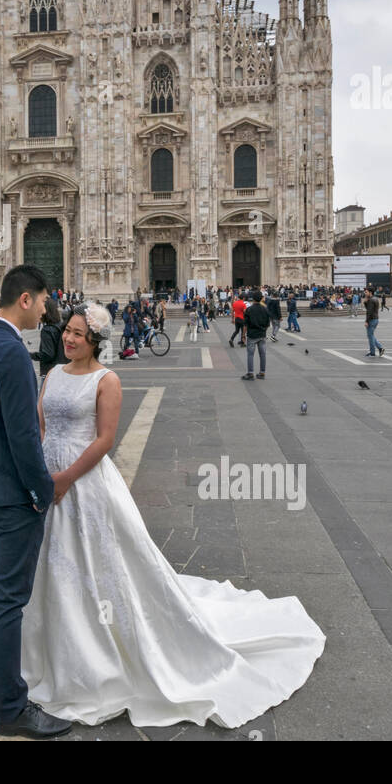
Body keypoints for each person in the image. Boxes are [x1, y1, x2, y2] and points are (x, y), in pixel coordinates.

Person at [21, 302, 325, 727]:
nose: (69, 338)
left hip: (84, 482)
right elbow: (41, 428)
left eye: (77, 333)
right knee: (55, 565)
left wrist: (66, 477)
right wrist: (40, 471)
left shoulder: (106, 380)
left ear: (94, 341)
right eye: (67, 331)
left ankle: (99, 655)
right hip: (50, 477)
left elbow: (105, 439)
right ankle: (53, 649)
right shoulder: (51, 375)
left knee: (97, 562)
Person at [0, 263, 71, 739]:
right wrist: (41, 491)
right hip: (11, 496)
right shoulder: (11, 353)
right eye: (44, 300)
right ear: (25, 299)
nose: (48, 308)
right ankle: (12, 709)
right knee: (8, 599)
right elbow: (24, 438)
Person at [30, 297, 66, 383]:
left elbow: (48, 354)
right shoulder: (60, 326)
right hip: (61, 371)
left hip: (49, 373)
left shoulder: (47, 330)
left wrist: (31, 355)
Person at [241, 291, 270, 379]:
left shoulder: (249, 309)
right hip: (262, 335)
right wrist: (264, 330)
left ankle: (250, 373)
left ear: (253, 299)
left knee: (250, 354)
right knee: (262, 354)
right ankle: (262, 373)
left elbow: (245, 324)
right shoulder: (265, 309)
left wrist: (243, 335)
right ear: (261, 298)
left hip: (252, 335)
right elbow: (268, 324)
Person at [364, 290, 385, 358]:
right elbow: (370, 309)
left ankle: (372, 352)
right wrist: (365, 302)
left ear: (370, 292)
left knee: (370, 336)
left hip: (372, 320)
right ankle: (380, 348)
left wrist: (367, 321)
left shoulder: (371, 300)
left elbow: (369, 312)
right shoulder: (374, 299)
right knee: (371, 335)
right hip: (375, 319)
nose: (365, 293)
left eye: (366, 292)